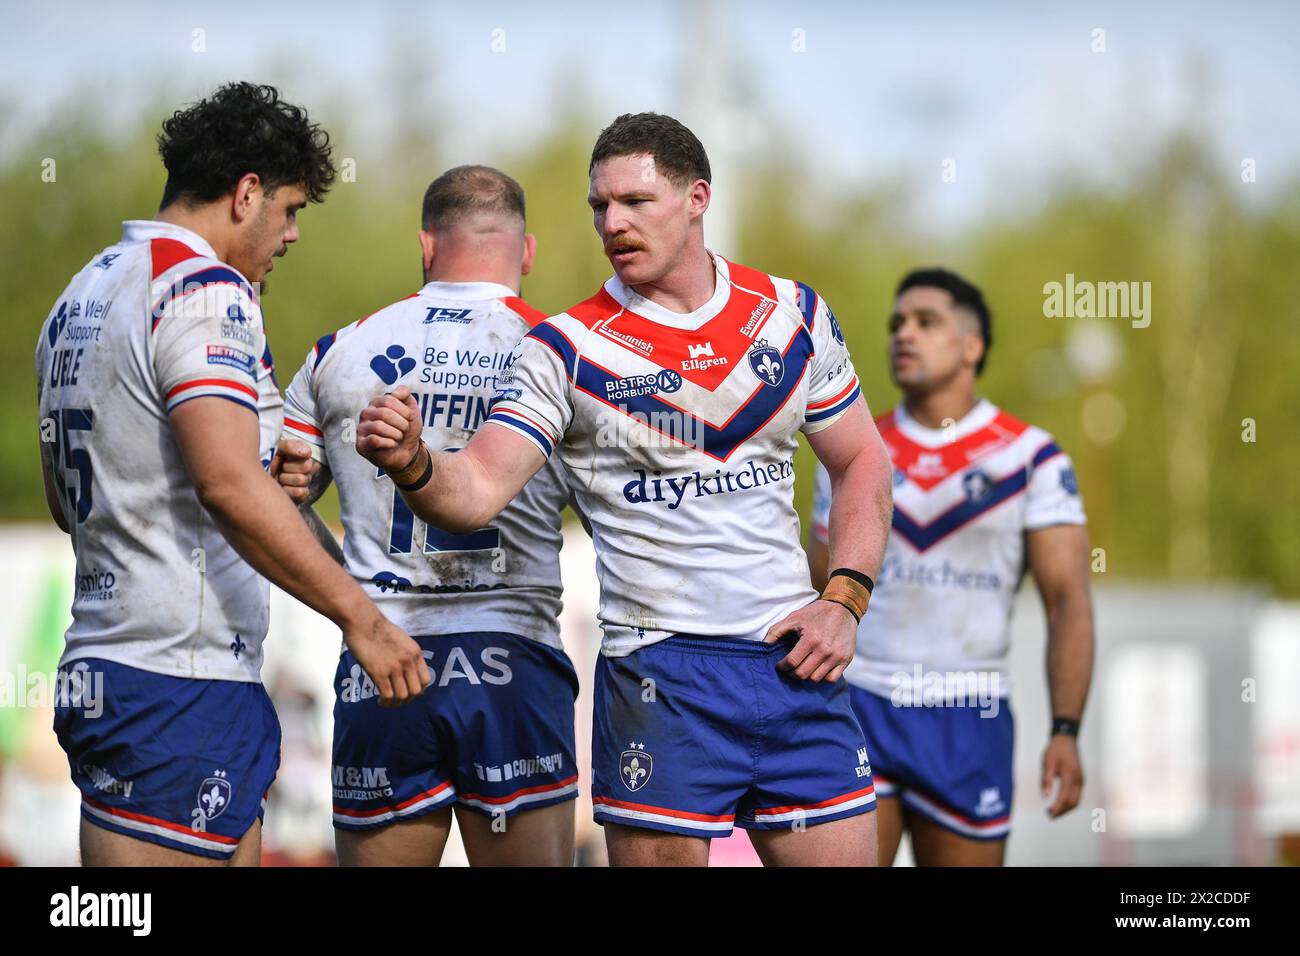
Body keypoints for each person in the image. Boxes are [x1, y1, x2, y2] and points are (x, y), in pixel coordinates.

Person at [353, 113, 894, 867]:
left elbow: (863, 458)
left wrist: (844, 598)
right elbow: (474, 490)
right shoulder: (566, 348)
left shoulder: (792, 315)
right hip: (660, 677)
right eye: (599, 206)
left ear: (697, 197)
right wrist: (415, 462)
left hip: (793, 663)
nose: (614, 222)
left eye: (636, 202)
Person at [33, 82, 429, 867]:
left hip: (113, 664)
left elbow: (65, 502)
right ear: (246, 192)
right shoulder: (202, 288)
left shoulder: (85, 288)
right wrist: (363, 618)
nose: (290, 236)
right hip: (180, 679)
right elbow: (225, 485)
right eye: (289, 211)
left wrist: (257, 472)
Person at [272, 165, 579, 866]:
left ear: (425, 244)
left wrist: (353, 606)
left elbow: (277, 507)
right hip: (513, 661)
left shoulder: (337, 351)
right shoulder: (561, 353)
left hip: (383, 657)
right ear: (524, 251)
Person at [807, 267, 1095, 866]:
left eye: (925, 322)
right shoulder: (850, 451)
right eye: (896, 324)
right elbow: (815, 589)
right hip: (861, 702)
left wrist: (1066, 730)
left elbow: (1067, 601)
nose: (902, 335)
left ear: (972, 346)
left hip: (970, 712)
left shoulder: (1030, 456)